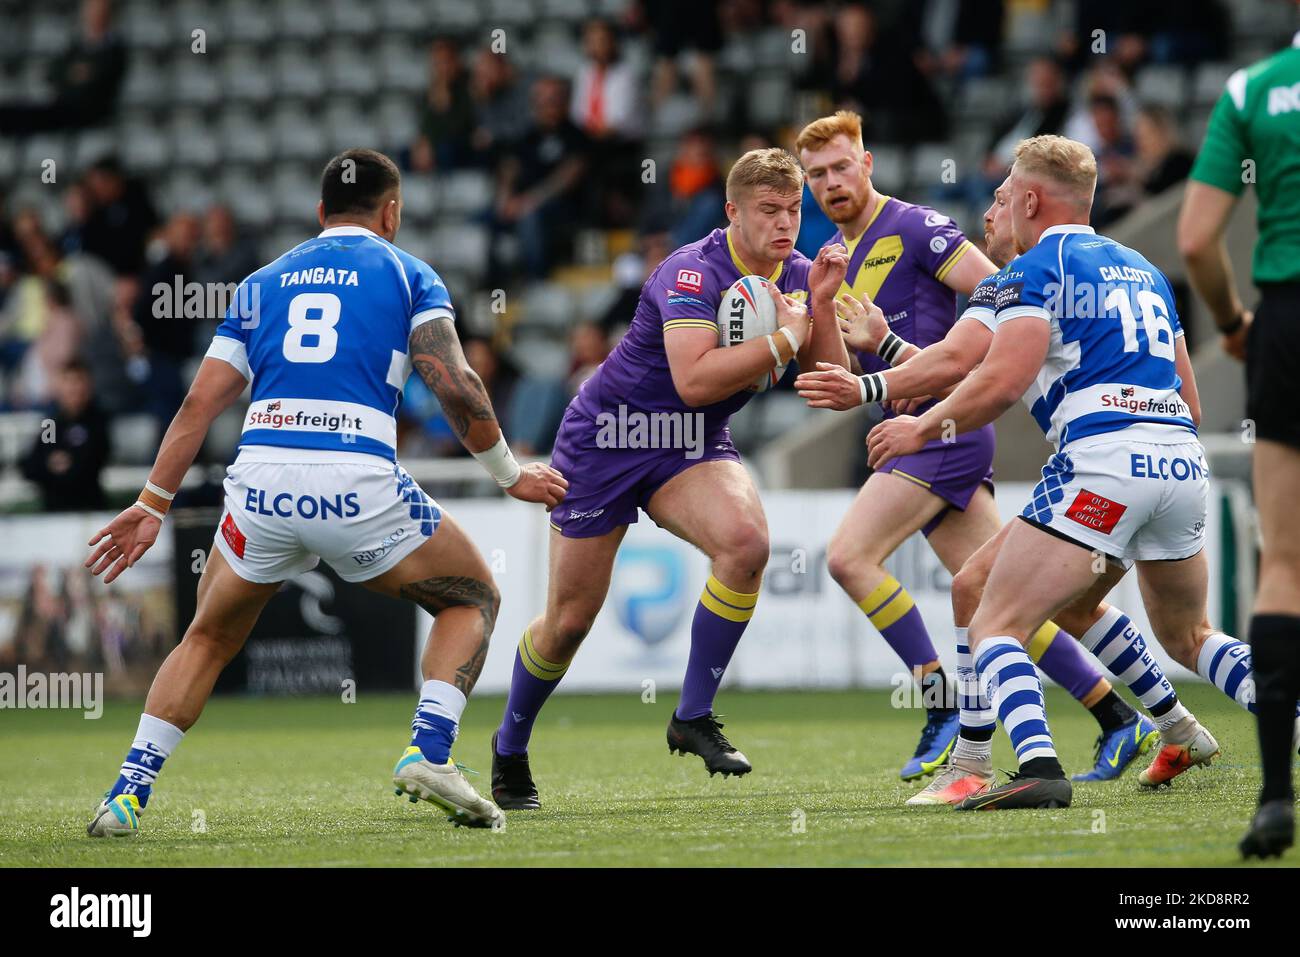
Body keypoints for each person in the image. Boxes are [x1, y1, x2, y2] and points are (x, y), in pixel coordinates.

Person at [82, 148, 567, 837]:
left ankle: (127, 793)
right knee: (473, 597)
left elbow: (197, 403)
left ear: (319, 214)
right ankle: (430, 750)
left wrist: (153, 502)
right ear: (391, 212)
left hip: (261, 485)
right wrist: (510, 474)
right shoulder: (408, 274)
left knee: (208, 636)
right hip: (354, 483)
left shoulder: (261, 282)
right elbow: (457, 383)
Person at [802, 169, 1224, 802]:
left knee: (984, 619)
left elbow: (981, 374)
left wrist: (882, 399)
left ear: (1030, 202)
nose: (988, 213)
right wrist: (885, 346)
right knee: (1168, 632)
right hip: (1177, 461)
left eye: (998, 199)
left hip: (1086, 461)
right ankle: (1162, 724)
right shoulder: (1142, 269)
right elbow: (1189, 404)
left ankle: (1021, 764)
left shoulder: (1025, 274)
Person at [488, 148, 850, 809]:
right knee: (568, 622)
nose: (786, 224)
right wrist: (783, 340)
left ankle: (693, 714)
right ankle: (509, 746)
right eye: (769, 210)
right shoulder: (688, 271)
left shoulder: (800, 276)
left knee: (746, 543)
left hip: (689, 443)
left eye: (795, 210)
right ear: (732, 211)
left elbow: (829, 381)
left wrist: (820, 304)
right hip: (607, 439)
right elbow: (692, 378)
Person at [1179, 26, 1300, 858]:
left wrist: (1232, 325)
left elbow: (1194, 240)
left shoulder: (1252, 91)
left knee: (1284, 559)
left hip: (1286, 322)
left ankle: (1275, 796)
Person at [20, 356, 110, 511]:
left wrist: (66, 465)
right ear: (59, 386)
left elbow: (92, 462)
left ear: (88, 386)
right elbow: (32, 465)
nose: (73, 388)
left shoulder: (97, 421)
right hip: (54, 513)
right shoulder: (52, 424)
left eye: (78, 381)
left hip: (89, 509)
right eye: (68, 381)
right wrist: (50, 465)